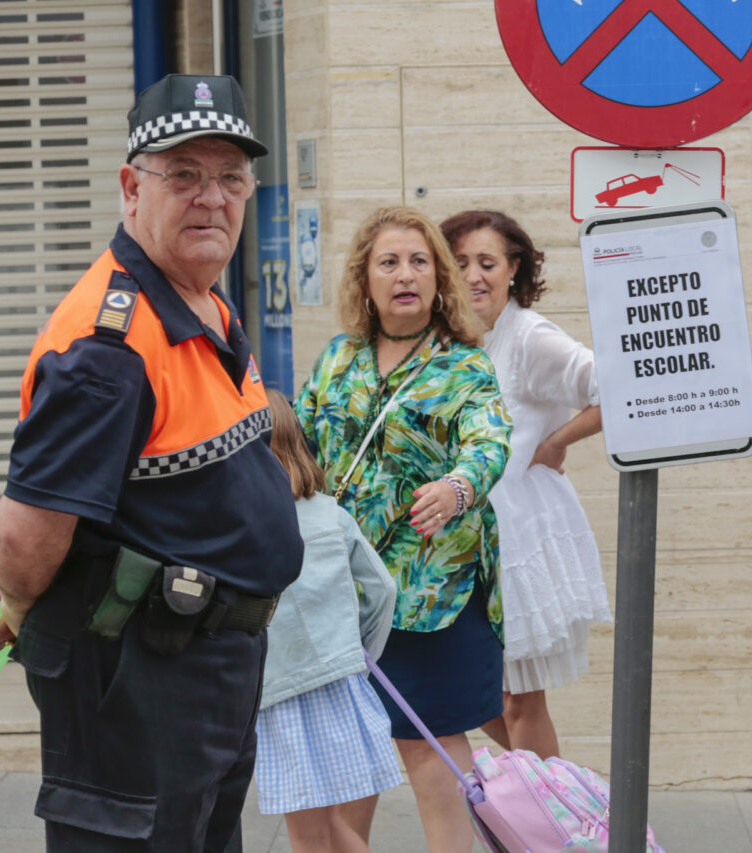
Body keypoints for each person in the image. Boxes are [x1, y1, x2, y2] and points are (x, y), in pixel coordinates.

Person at [0, 74, 303, 851]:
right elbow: (27, 538)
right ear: (132, 187)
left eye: (229, 177)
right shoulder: (109, 344)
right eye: (183, 175)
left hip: (207, 673)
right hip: (137, 679)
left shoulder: (205, 302)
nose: (211, 197)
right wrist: (17, 605)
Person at [295, 206, 512, 853]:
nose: (405, 274)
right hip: (349, 593)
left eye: (419, 261)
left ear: (438, 277)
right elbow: (297, 444)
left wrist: (457, 487)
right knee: (350, 750)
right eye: (388, 262)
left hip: (431, 594)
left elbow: (490, 439)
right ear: (365, 278)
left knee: (431, 748)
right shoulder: (340, 358)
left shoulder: (463, 364)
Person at [441, 210, 612, 759]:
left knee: (518, 699)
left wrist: (559, 441)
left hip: (518, 540)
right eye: (460, 263)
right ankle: (547, 806)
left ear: (513, 270)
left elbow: (614, 387)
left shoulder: (529, 337)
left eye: (487, 263)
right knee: (472, 693)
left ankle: (556, 827)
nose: (473, 276)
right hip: (463, 545)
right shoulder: (453, 342)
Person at [254, 389, 403, 853]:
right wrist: (358, 650)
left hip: (282, 692)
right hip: (341, 684)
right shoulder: (330, 513)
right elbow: (383, 589)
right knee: (328, 825)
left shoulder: (246, 524)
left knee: (310, 833)